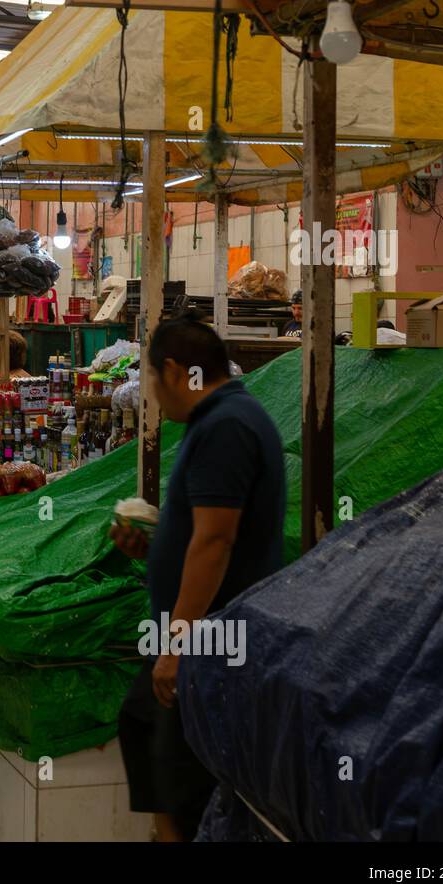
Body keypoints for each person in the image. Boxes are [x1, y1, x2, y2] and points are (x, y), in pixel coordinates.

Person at [110, 312, 285, 842]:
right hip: (199, 636)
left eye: (154, 383)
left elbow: (216, 540)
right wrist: (155, 544)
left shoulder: (227, 426)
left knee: (184, 780)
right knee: (145, 732)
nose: (156, 399)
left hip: (211, 642)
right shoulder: (218, 420)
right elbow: (204, 530)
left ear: (173, 371)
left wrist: (178, 645)